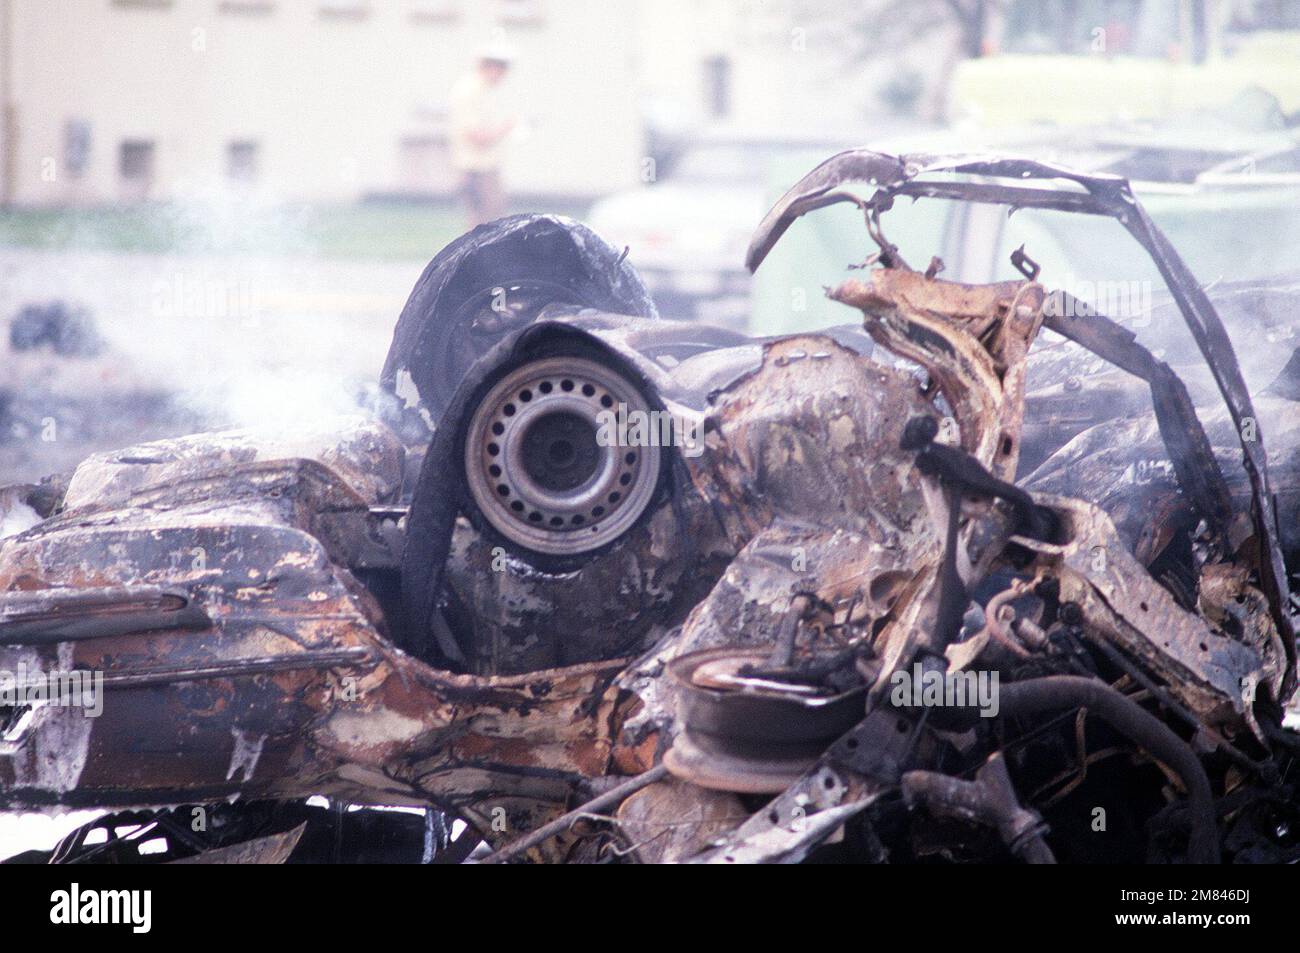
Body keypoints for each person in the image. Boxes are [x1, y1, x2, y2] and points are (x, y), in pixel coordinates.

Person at [449, 43, 517, 227]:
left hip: (483, 166)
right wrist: (506, 128)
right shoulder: (469, 91)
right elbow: (475, 136)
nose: (503, 75)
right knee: (486, 220)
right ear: (490, 66)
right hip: (476, 168)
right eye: (502, 68)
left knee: (488, 219)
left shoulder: (484, 91)